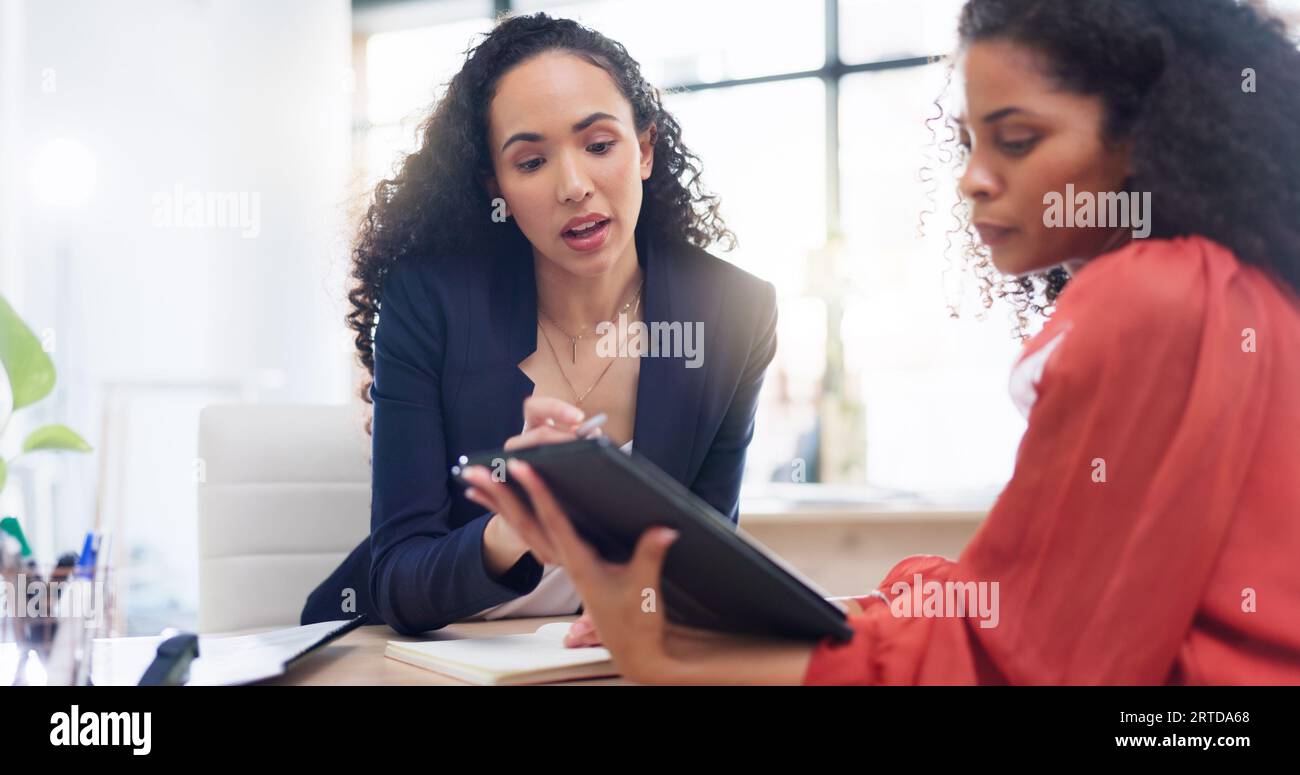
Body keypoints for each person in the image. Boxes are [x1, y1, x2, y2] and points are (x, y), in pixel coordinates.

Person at [468, 0, 1300, 684]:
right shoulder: (1227, 286)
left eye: (1017, 140)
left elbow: (1036, 662)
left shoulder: (1151, 297)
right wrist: (864, 612)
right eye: (969, 140)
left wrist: (669, 655)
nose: (973, 177)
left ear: (1143, 139)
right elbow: (1043, 603)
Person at [301, 13, 778, 639]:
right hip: (412, 657)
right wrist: (511, 527)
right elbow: (397, 578)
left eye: (600, 145)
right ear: (494, 183)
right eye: (531, 162)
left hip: (595, 663)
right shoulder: (431, 300)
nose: (574, 186)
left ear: (646, 150)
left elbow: (704, 565)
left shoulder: (732, 313)